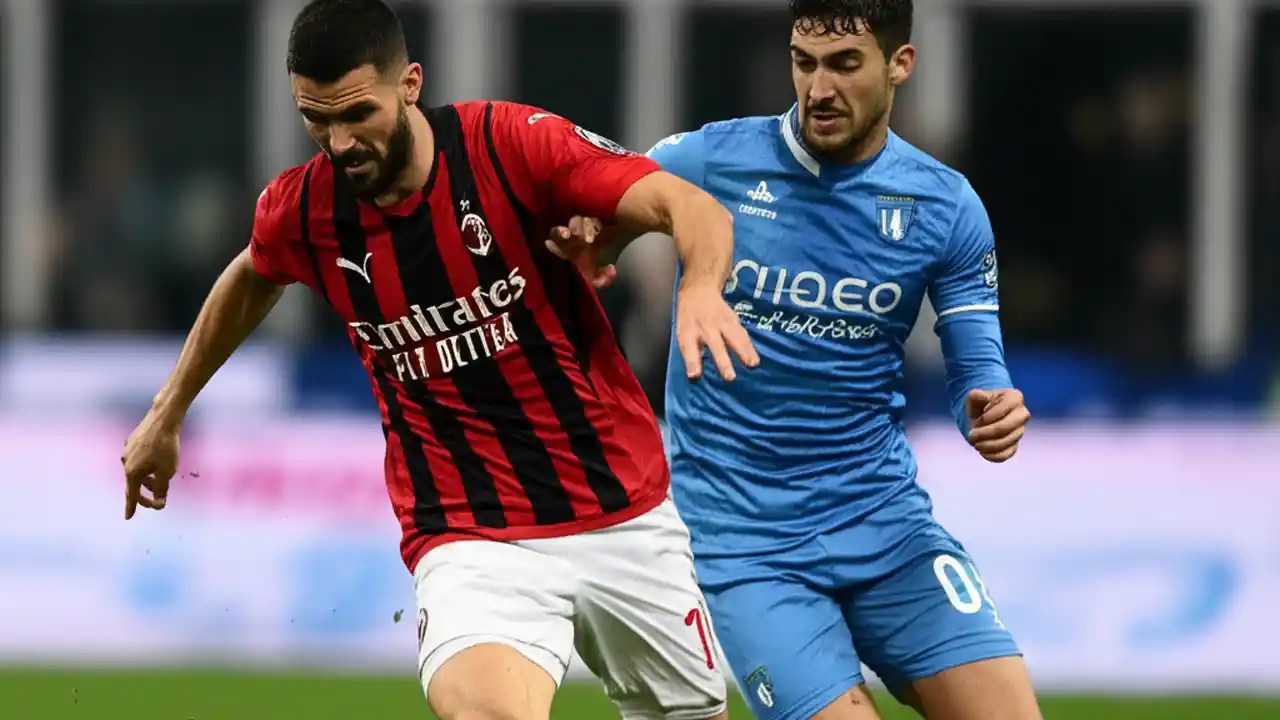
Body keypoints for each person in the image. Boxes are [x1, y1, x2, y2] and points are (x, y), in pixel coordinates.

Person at [119, 1, 759, 719]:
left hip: (621, 507)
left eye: (357, 113)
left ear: (411, 83)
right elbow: (251, 275)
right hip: (469, 532)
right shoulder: (305, 211)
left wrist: (701, 286)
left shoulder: (509, 145)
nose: (339, 143)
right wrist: (165, 413)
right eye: (316, 120)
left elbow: (691, 206)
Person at [547, 1, 1041, 718]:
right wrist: (593, 234)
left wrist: (989, 410)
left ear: (900, 64)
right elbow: (601, 210)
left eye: (844, 64)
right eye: (803, 62)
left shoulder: (944, 205)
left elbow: (978, 371)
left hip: (887, 524)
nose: (818, 88)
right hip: (748, 549)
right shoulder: (709, 159)